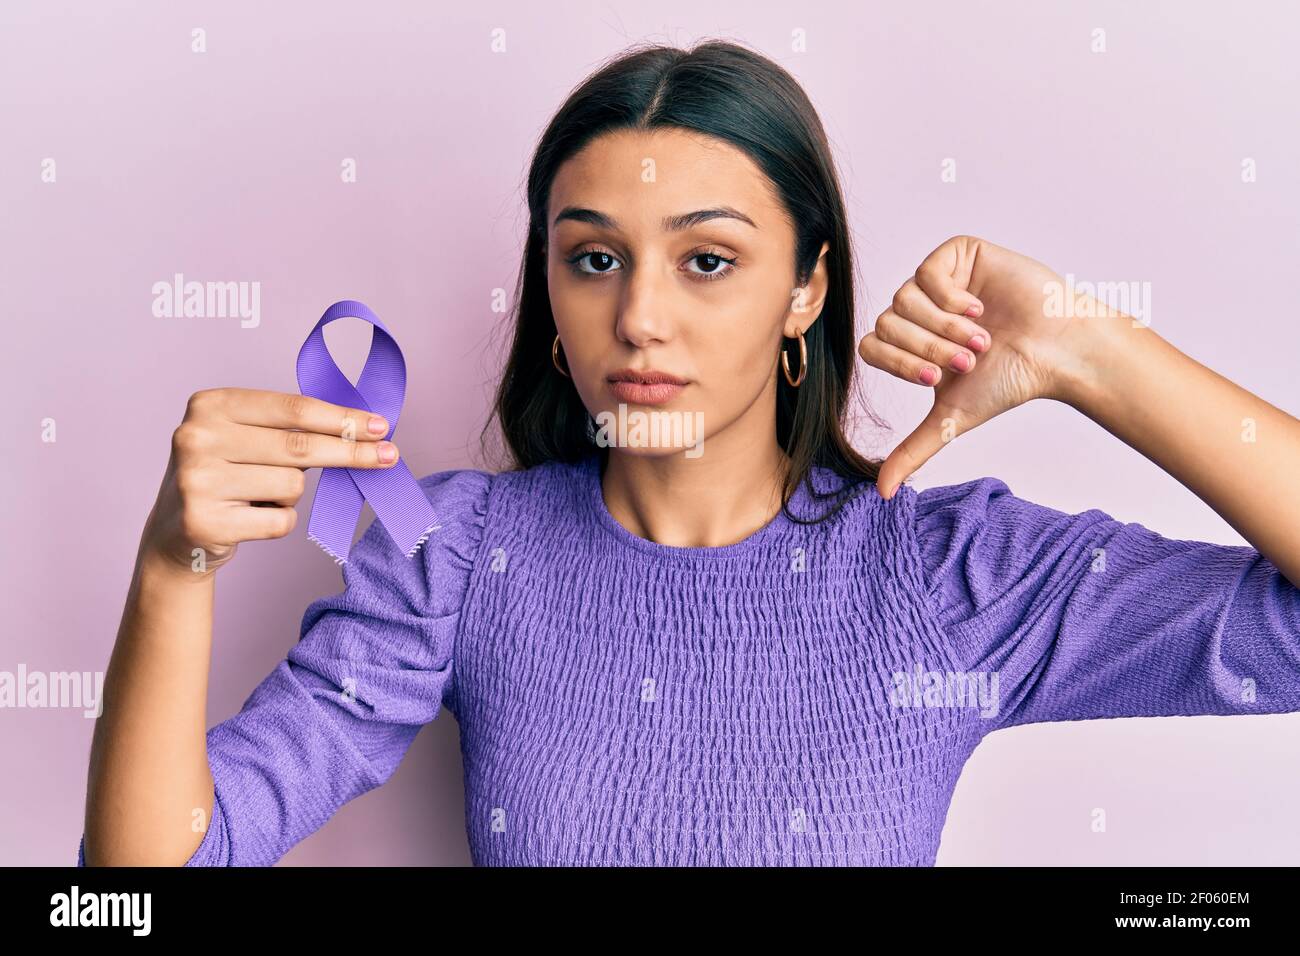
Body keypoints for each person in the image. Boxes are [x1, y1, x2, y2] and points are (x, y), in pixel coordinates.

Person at [79, 39, 1299, 867]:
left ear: (807, 290)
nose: (640, 318)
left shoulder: (945, 572)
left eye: (706, 260)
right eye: (592, 257)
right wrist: (172, 566)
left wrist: (1090, 352)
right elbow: (143, 878)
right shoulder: (452, 559)